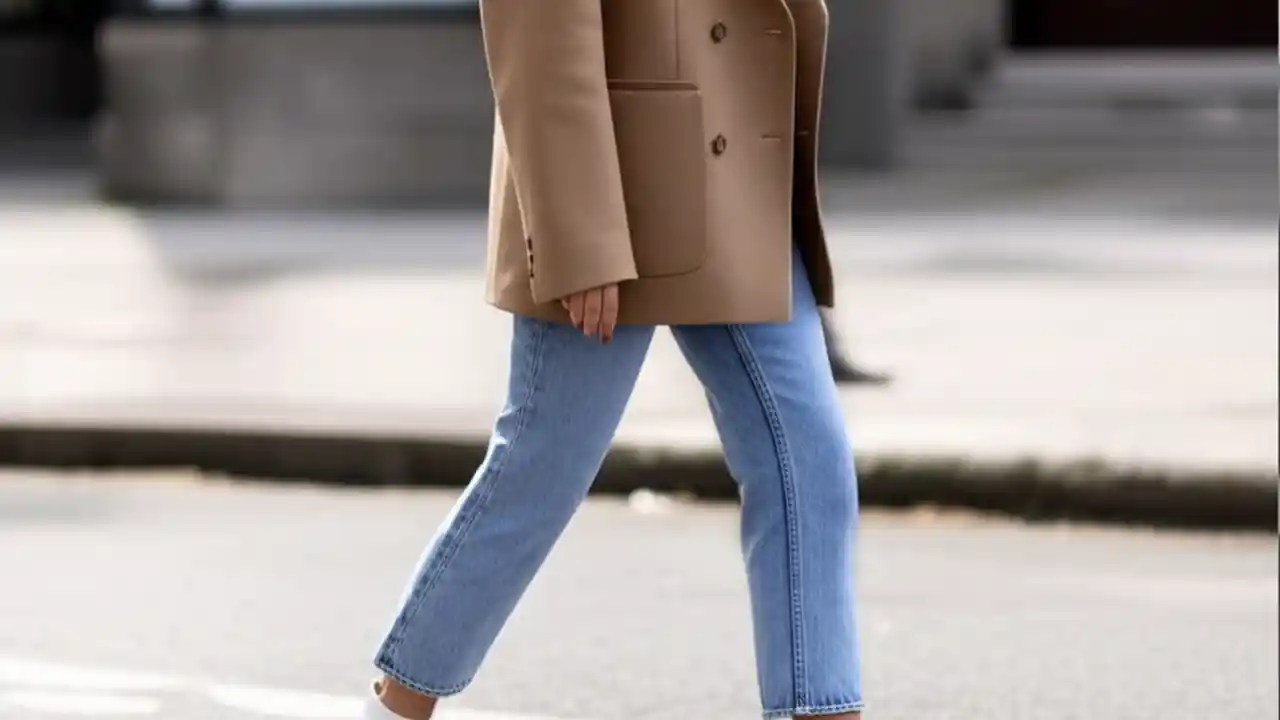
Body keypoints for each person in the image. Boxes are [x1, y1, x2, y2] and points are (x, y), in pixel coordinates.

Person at [365, 1, 862, 718]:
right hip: (616, 182)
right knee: (541, 469)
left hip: (735, 160)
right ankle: (395, 709)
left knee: (809, 462)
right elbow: (537, 23)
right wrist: (578, 234)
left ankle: (822, 710)